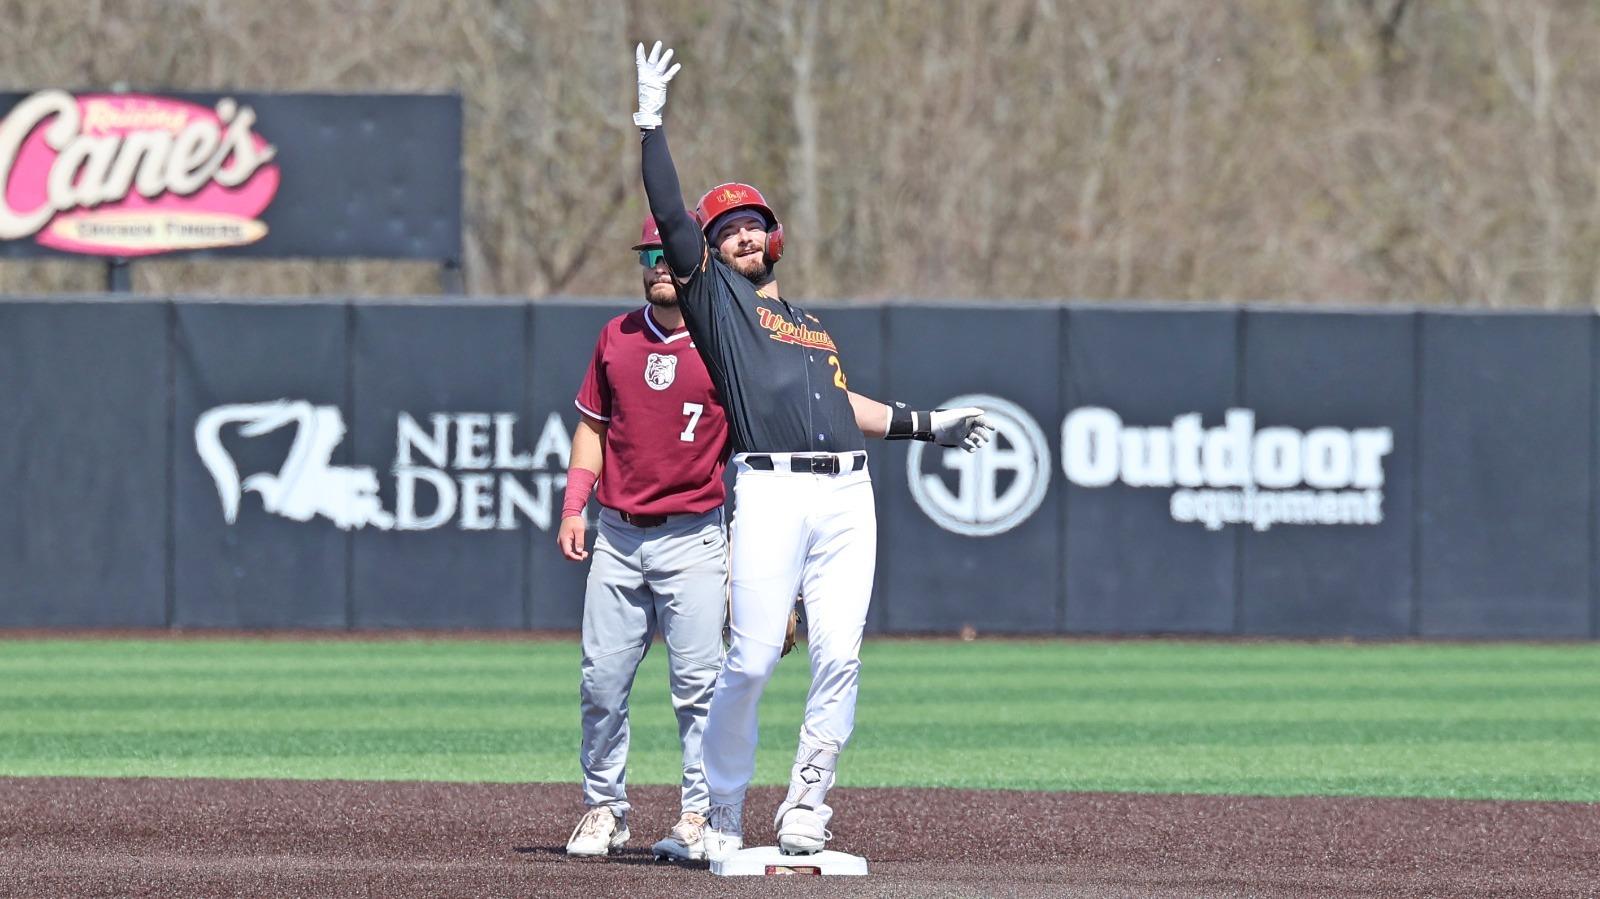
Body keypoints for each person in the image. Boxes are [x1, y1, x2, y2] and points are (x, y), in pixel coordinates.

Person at [630, 41, 995, 861]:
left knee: (840, 655)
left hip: (847, 492)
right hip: (768, 489)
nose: (742, 235)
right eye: (728, 230)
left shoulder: (805, 322)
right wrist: (651, 126)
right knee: (754, 657)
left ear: (775, 236)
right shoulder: (715, 300)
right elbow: (673, 213)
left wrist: (928, 425)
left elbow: (844, 406)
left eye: (753, 223)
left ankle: (805, 809)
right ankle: (719, 815)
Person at [558, 212, 731, 861]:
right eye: (650, 253)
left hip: (694, 534)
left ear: (694, 261)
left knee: (699, 686)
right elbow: (592, 429)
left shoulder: (722, 341)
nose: (660, 263)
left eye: (669, 252)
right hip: (620, 533)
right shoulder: (617, 337)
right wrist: (575, 505)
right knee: (601, 680)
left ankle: (697, 811)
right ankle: (605, 806)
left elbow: (747, 449)